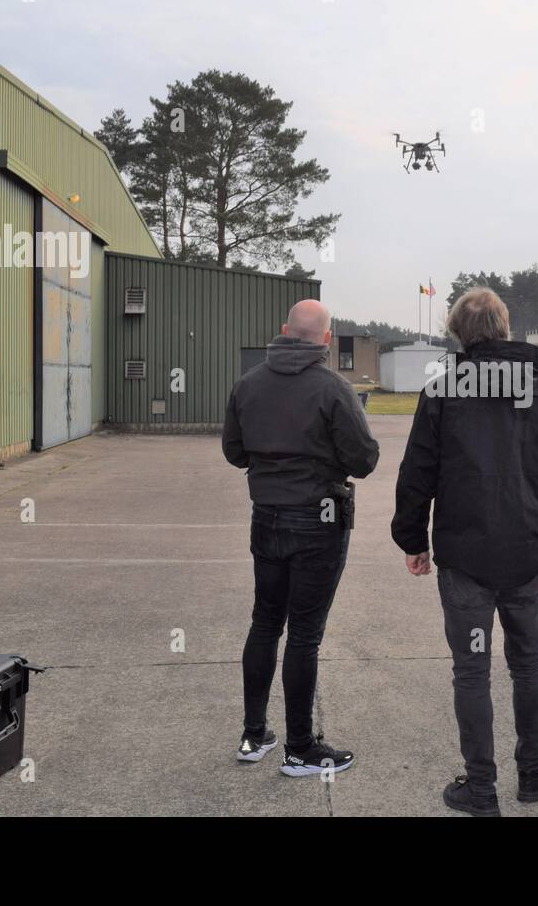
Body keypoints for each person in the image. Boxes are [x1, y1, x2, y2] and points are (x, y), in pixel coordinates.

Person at [391, 287, 538, 816]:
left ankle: (481, 789)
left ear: (460, 331)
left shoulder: (443, 389)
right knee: (527, 667)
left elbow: (416, 475)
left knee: (472, 671)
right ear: (503, 329)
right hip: (525, 554)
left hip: (466, 559)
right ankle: (531, 775)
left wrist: (412, 539)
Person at [223, 299, 379, 776]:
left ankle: (254, 737)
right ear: (327, 340)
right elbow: (363, 461)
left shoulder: (247, 385)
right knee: (304, 636)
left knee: (265, 623)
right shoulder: (334, 388)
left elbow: (234, 452)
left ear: (285, 330)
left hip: (266, 518)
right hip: (319, 521)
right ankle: (300, 748)